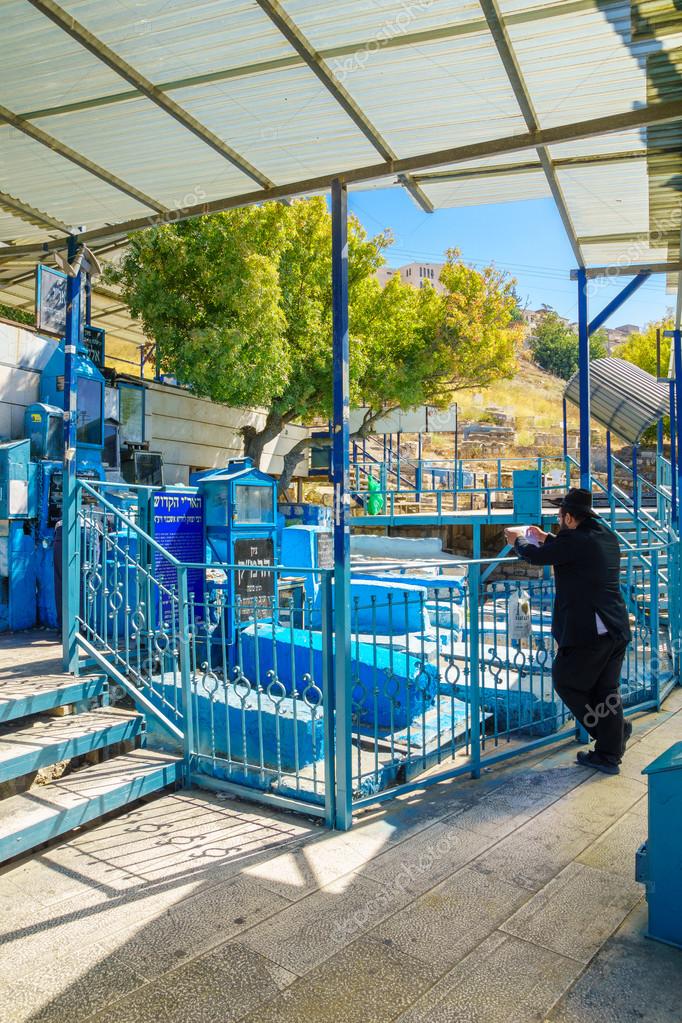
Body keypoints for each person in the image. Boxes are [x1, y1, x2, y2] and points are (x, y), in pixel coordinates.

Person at [504, 488, 632, 775]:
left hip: (593, 631)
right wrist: (544, 537)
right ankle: (609, 750)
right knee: (605, 690)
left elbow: (537, 558)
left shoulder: (577, 542)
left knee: (565, 680)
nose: (559, 522)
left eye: (560, 518)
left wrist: (519, 541)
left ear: (571, 518)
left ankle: (613, 736)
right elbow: (569, 551)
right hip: (616, 627)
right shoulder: (604, 536)